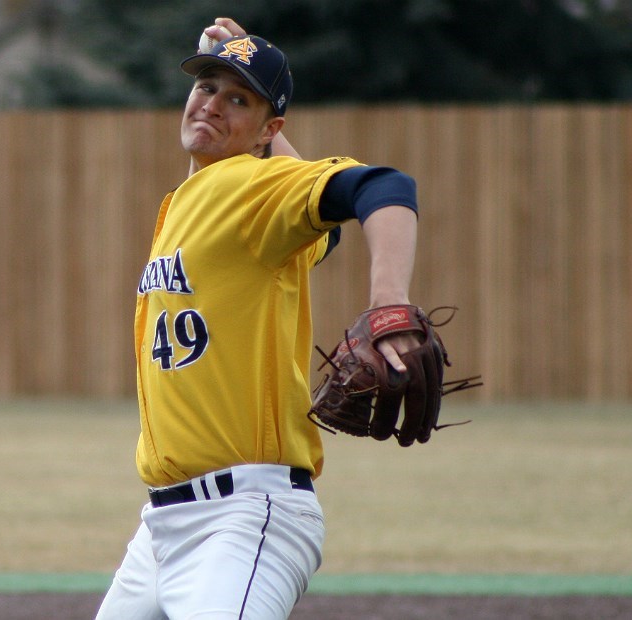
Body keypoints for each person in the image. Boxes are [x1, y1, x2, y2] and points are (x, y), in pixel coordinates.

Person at [95, 17, 420, 620]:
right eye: (205, 87)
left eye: (237, 98)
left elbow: (382, 187)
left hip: (242, 522)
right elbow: (321, 235)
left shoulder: (245, 190)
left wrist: (388, 303)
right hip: (160, 529)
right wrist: (255, 67)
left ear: (269, 129)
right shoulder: (200, 203)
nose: (212, 104)